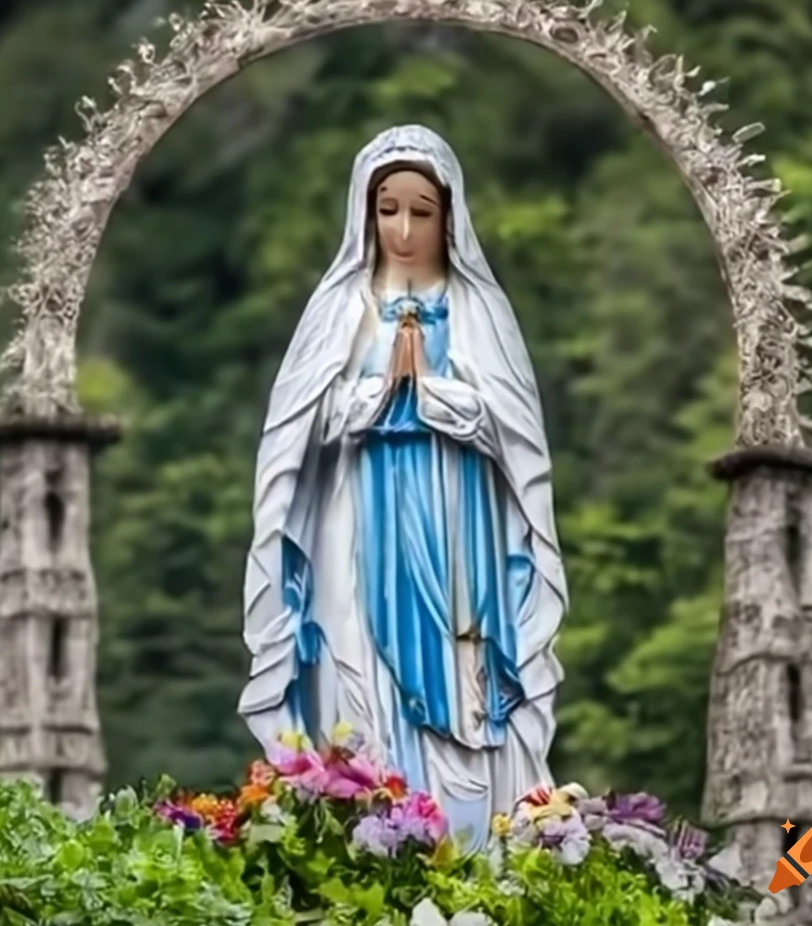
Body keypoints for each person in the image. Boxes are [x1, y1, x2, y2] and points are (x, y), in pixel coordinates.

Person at [238, 124, 568, 849]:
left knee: (465, 678)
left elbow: (517, 437)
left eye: (423, 210)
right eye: (390, 208)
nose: (406, 227)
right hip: (358, 514)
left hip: (458, 522)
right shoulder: (339, 310)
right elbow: (298, 430)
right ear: (365, 211)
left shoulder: (480, 309)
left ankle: (471, 843)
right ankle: (383, 829)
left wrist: (438, 398)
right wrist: (378, 394)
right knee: (360, 673)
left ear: (450, 214)